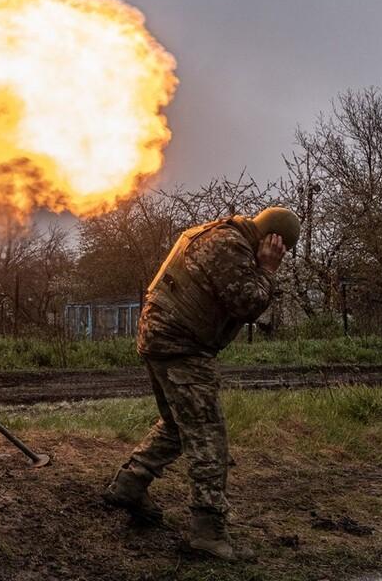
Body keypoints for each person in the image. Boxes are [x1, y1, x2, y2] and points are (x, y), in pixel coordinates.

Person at [103, 206, 300, 561]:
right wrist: (268, 270)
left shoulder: (218, 233)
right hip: (180, 345)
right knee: (208, 435)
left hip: (163, 337)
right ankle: (208, 532)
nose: (279, 256)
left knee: (180, 425)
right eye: (281, 250)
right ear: (274, 240)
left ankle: (130, 484)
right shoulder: (229, 245)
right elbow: (248, 304)